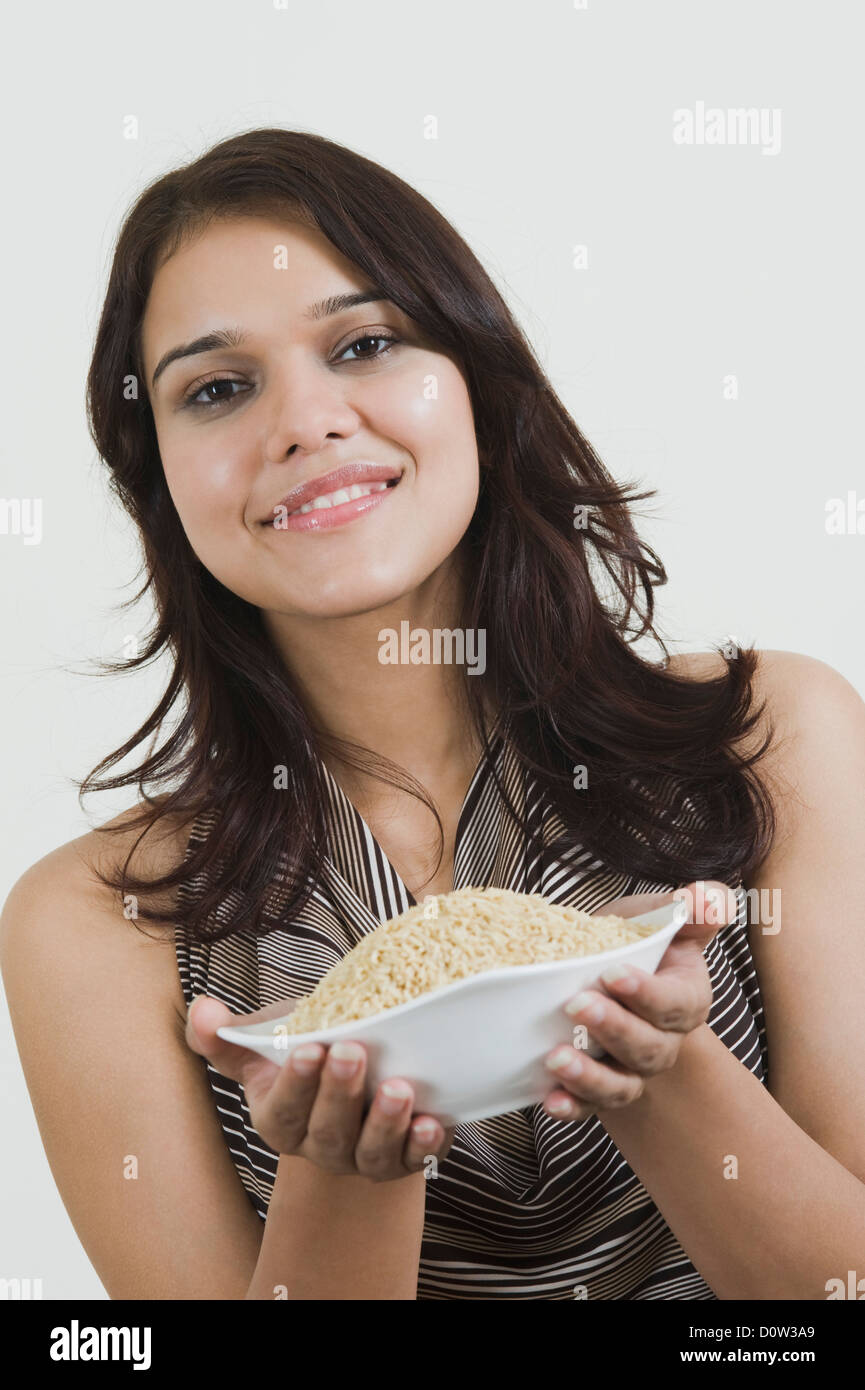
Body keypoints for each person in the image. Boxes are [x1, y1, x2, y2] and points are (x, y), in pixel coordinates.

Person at [2, 129, 864, 1301]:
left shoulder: (773, 736)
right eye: (218, 388)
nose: (305, 422)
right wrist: (346, 1172)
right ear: (155, 476)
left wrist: (661, 1075)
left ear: (476, 380)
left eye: (363, 343)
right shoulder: (97, 923)